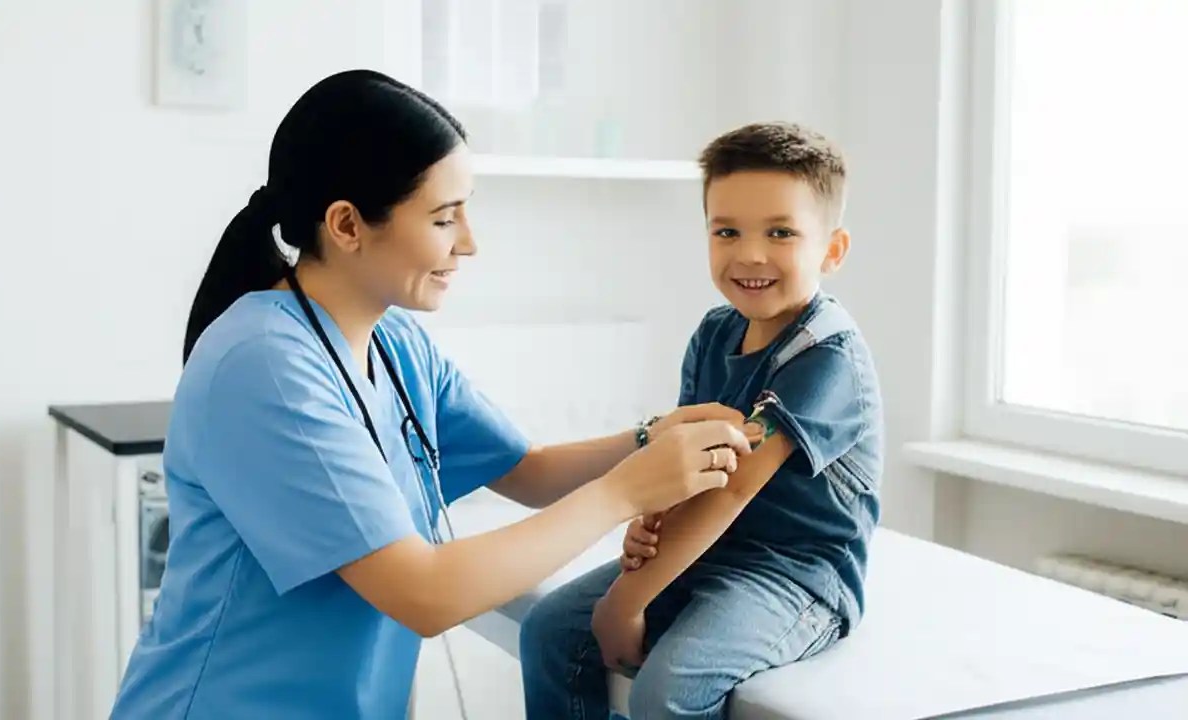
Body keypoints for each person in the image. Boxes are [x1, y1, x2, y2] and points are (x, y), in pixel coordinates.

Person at [108, 69, 757, 720]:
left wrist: (653, 438)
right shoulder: (264, 367)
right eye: (445, 218)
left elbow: (526, 471)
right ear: (347, 224)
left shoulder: (395, 343)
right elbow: (425, 594)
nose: (469, 243)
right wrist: (627, 491)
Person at [519, 121, 885, 719]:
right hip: (711, 550)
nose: (750, 253)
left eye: (781, 232)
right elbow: (683, 458)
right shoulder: (716, 332)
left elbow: (736, 483)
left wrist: (626, 601)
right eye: (727, 231)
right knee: (548, 634)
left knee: (667, 692)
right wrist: (651, 521)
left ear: (832, 250)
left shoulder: (828, 358)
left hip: (796, 577)